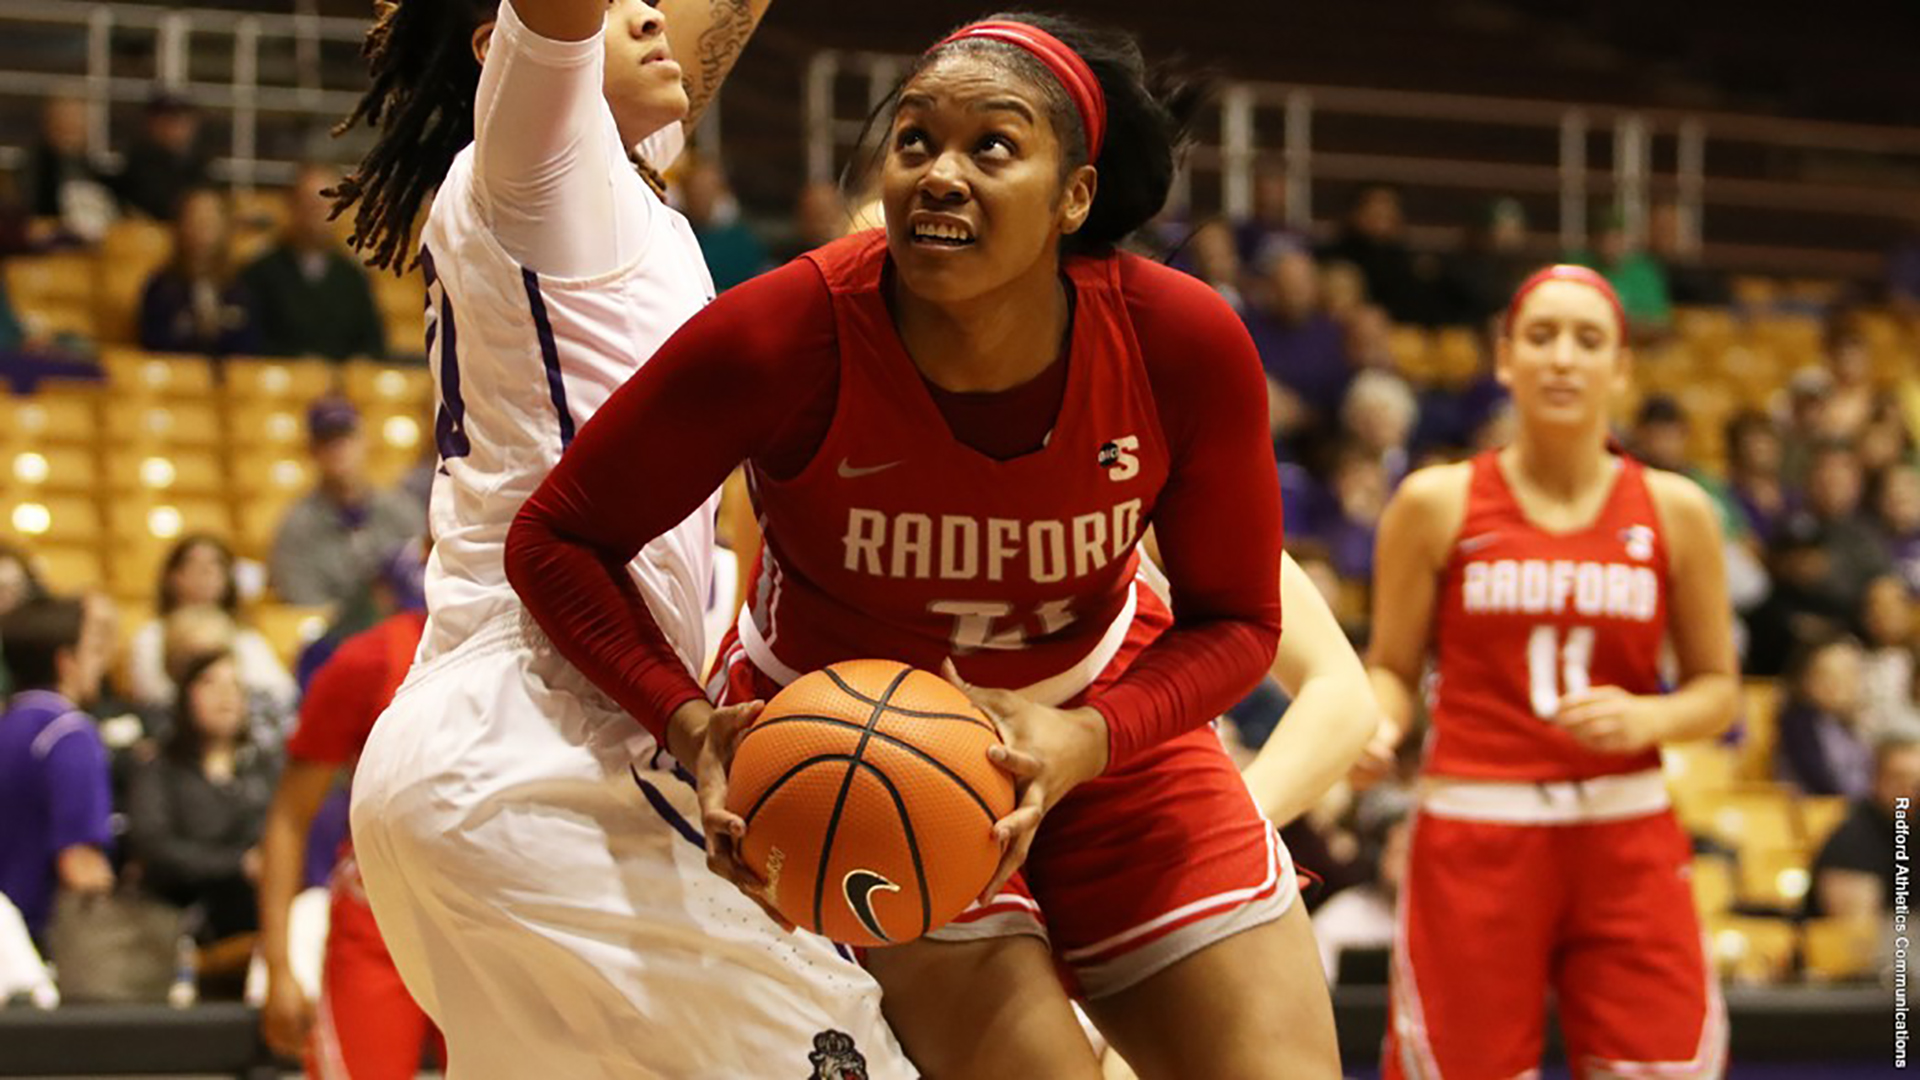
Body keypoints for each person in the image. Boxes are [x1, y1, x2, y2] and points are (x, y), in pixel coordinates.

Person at [508, 15, 1342, 1079]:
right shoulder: (783, 333)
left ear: (1073, 198)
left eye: (991, 147)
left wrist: (1092, 737)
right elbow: (555, 538)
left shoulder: (1178, 339)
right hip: (855, 752)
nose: (941, 174)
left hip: (1104, 729)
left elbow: (1241, 623)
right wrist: (689, 722)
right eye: (915, 142)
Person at [331, 0, 911, 1075]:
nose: (646, 12)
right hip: (554, 739)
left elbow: (717, 20)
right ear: (501, 48)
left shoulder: (610, 179)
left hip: (470, 760)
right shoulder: (542, 162)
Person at [1364, 265, 1736, 1077]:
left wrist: (1652, 718)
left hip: (1626, 828)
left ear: (1621, 368)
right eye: (1541, 337)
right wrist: (1378, 723)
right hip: (1476, 826)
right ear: (1505, 359)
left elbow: (1719, 690)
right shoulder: (1436, 503)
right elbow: (1391, 668)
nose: (1563, 358)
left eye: (1588, 340)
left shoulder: (1678, 510)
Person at [258, 584, 435, 1078]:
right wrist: (278, 965)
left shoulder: (548, 646)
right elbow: (289, 816)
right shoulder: (368, 658)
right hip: (379, 919)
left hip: (496, 915)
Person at [126, 650, 279, 945]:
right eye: (210, 683)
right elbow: (153, 846)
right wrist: (237, 864)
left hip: (257, 909)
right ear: (185, 696)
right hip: (178, 912)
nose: (226, 694)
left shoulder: (266, 766)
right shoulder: (159, 767)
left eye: (235, 685)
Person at [0, 596, 115, 947]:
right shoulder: (69, 734)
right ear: (65, 662)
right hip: (38, 942)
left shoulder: (7, 724)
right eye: (93, 652)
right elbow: (79, 865)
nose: (102, 665)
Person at [267, 400, 420, 610]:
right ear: (312, 451)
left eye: (346, 438)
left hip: (403, 631)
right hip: (336, 637)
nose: (338, 450)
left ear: (364, 442)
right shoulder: (296, 529)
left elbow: (425, 578)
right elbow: (304, 604)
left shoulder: (401, 510)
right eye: (327, 441)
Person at [127, 534, 296, 713]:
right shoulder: (152, 636)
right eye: (194, 565)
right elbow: (154, 696)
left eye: (216, 565)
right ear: (173, 577)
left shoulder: (246, 637)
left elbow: (282, 692)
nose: (207, 573)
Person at [239, 165, 387, 360]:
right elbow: (250, 345)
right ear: (292, 207)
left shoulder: (352, 276)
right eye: (309, 204)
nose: (317, 214)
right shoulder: (260, 273)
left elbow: (372, 344)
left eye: (326, 204)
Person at [1807, 729, 1920, 920]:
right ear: (1876, 780)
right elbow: (1855, 934)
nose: (1910, 789)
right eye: (1900, 778)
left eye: (1916, 781)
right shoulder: (1852, 842)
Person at [137, 186, 260, 358]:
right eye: (195, 220)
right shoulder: (160, 288)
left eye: (210, 220)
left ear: (224, 227)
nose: (202, 228)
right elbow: (154, 345)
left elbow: (252, 346)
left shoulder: (242, 287)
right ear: (180, 226)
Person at [117, 91, 211, 223]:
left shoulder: (197, 163)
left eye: (181, 120)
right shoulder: (140, 166)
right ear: (151, 124)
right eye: (167, 120)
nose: (175, 127)